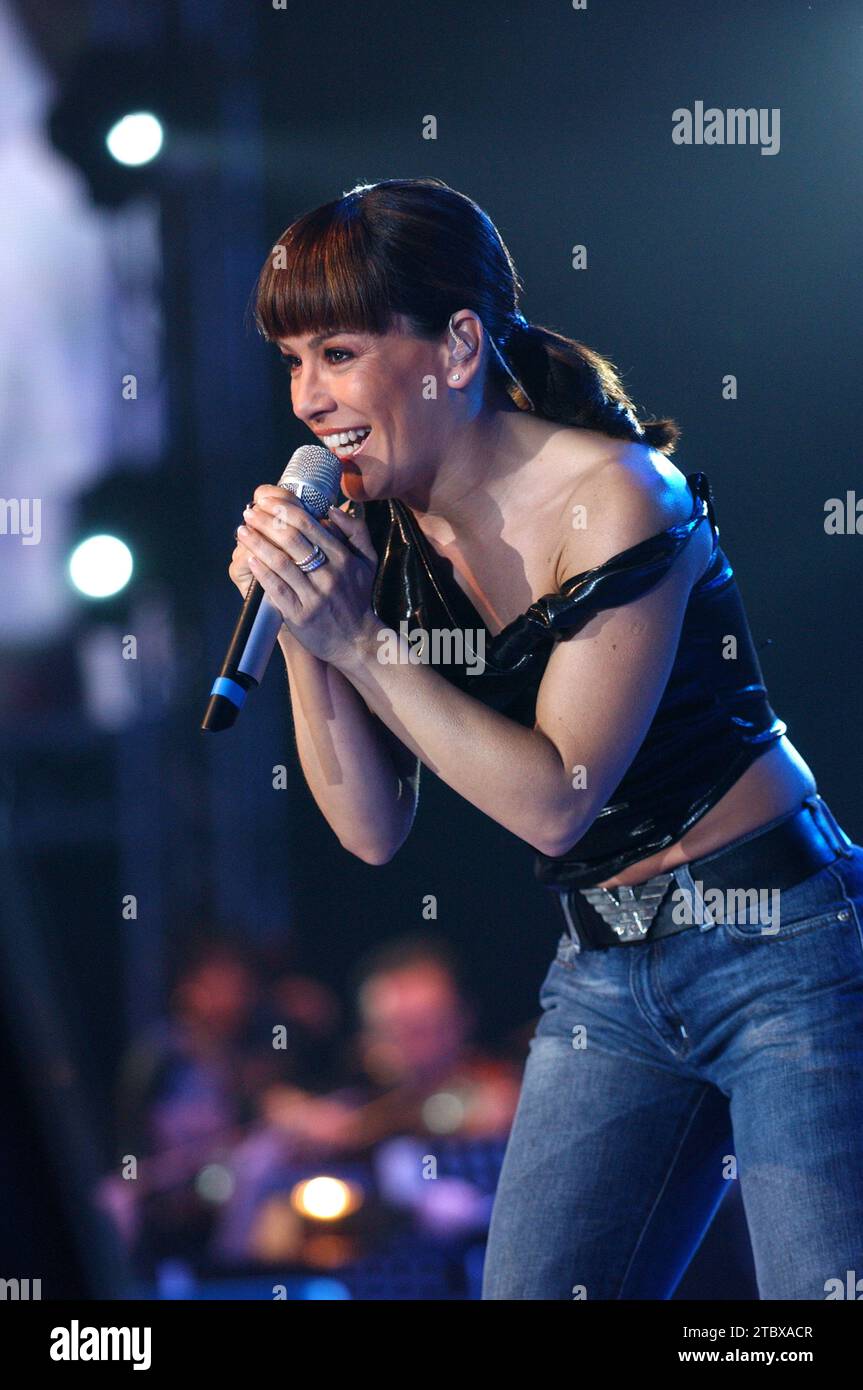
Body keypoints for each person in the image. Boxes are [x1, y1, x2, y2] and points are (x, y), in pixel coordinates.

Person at [229, 177, 863, 1299]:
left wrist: (362, 638)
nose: (307, 402)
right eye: (290, 363)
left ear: (455, 347)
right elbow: (372, 831)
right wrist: (302, 630)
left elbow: (554, 796)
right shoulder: (378, 531)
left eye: (335, 353)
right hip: (604, 968)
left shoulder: (615, 495)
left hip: (781, 946)